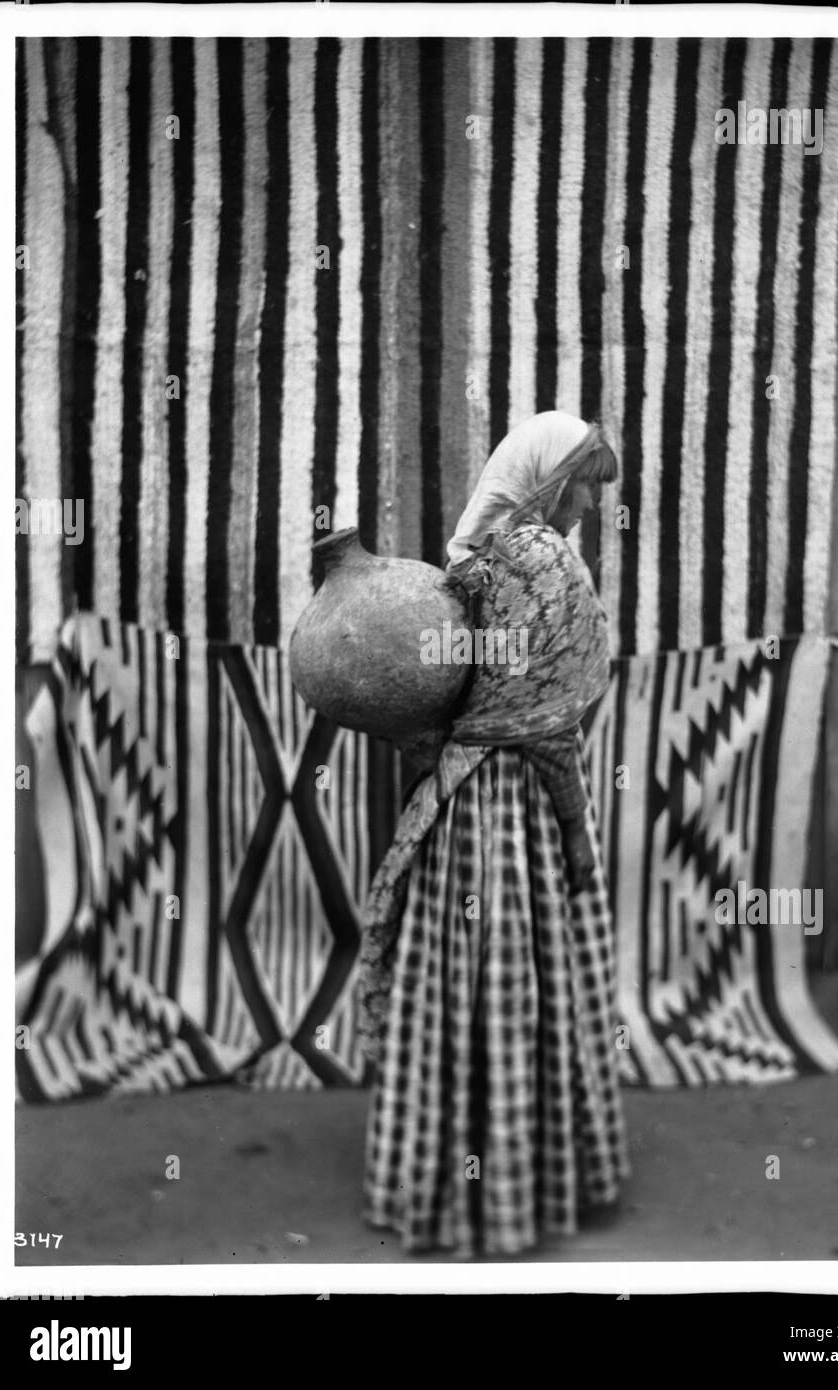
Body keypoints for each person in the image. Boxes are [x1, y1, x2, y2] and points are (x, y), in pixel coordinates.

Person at [357, 410, 630, 1257]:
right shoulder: (544, 557)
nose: (590, 501)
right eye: (584, 481)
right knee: (521, 972)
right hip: (515, 800)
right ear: (546, 480)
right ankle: (526, 1180)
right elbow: (547, 707)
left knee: (454, 974)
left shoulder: (462, 563)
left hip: (458, 798)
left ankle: (433, 1177)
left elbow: (442, 695)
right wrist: (576, 824)